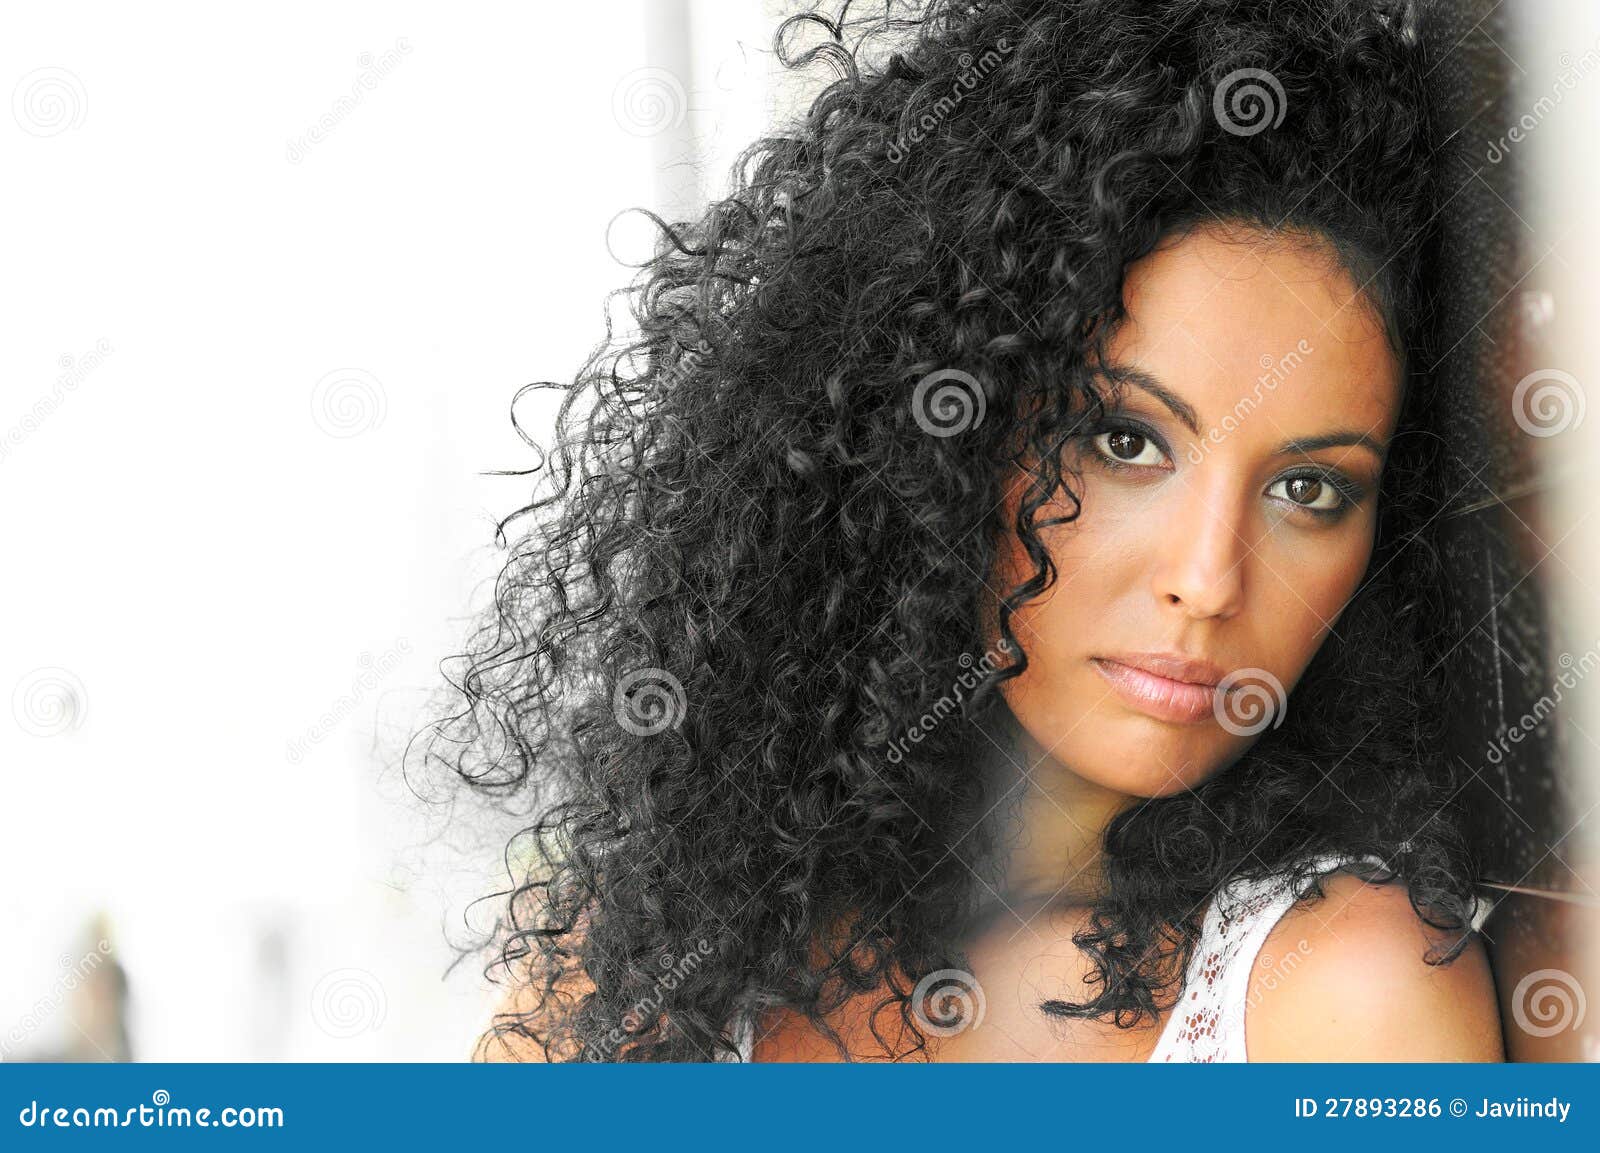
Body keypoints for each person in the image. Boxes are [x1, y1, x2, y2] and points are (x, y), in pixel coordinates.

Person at [416, 0, 1505, 1062]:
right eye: (1123, 441)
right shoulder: (657, 947)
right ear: (945, 435)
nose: (1209, 577)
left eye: (1309, 489)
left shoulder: (1340, 992)